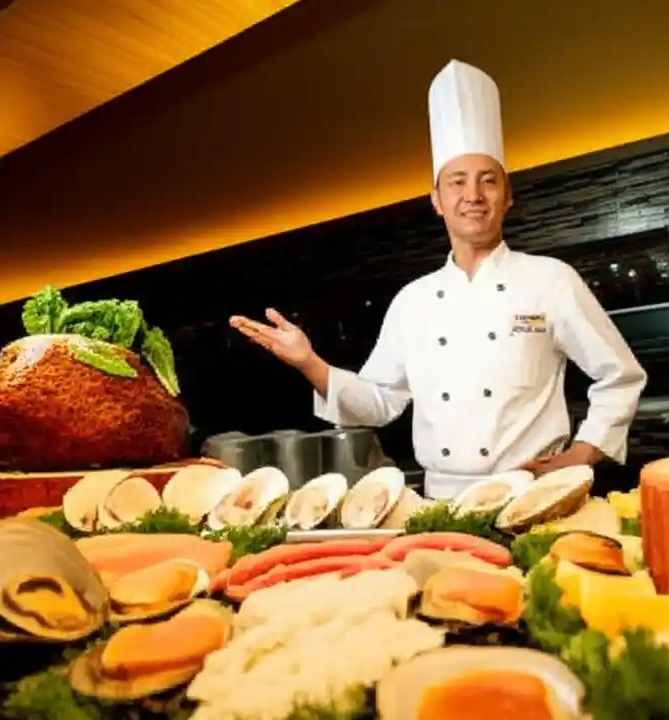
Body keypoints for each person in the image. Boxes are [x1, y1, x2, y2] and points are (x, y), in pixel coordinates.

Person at [232, 59, 647, 499]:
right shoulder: (413, 301)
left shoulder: (551, 280)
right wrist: (309, 362)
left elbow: (620, 375)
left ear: (507, 196)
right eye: (457, 182)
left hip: (531, 493)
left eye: (488, 181)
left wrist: (583, 452)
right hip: (441, 500)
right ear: (437, 200)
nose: (473, 195)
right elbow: (379, 403)